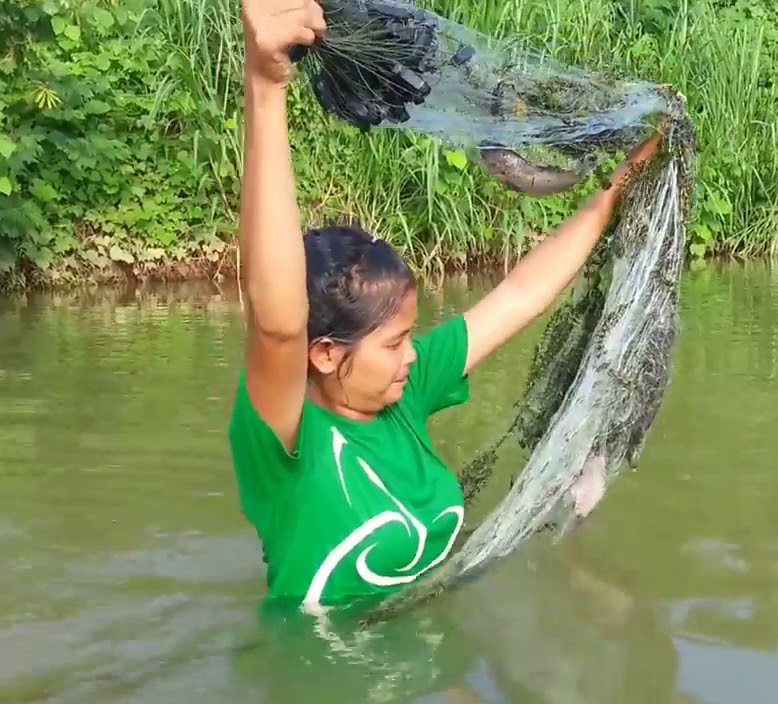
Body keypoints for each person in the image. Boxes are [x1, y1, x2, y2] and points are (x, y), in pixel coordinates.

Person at [228, 0, 665, 616]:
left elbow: (516, 298)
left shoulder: (401, 392)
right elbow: (276, 321)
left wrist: (611, 197)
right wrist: (266, 87)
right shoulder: (287, 440)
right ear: (325, 354)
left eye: (409, 336)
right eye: (392, 342)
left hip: (429, 653)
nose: (412, 355)